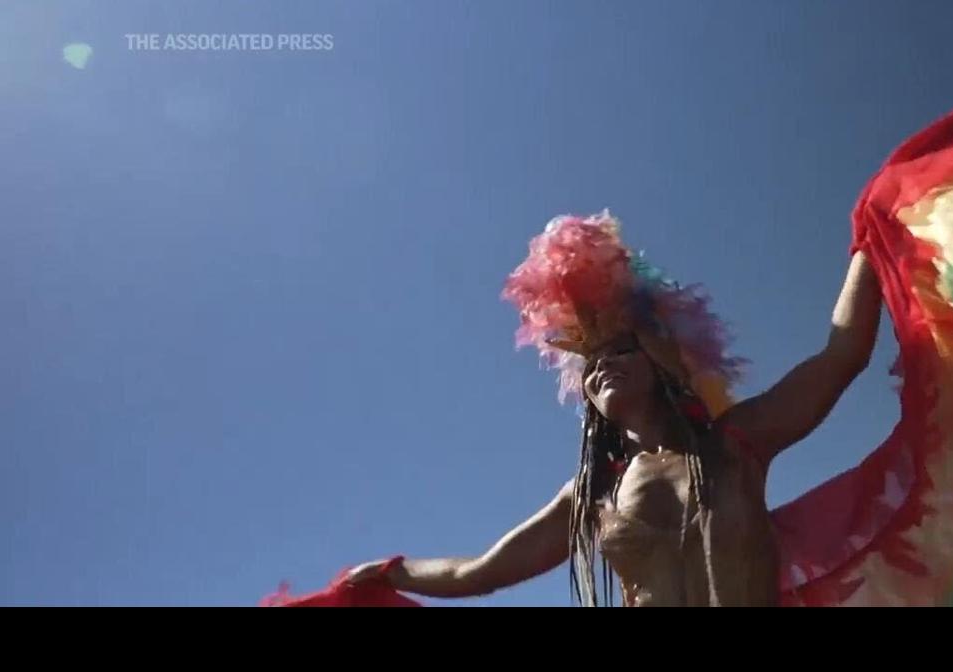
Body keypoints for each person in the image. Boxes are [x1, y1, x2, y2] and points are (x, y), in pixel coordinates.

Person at [345, 210, 881, 606]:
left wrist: (870, 239)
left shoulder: (737, 442)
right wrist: (395, 572)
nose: (603, 365)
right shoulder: (593, 491)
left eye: (622, 349)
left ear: (664, 359)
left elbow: (843, 352)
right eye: (592, 361)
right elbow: (479, 572)